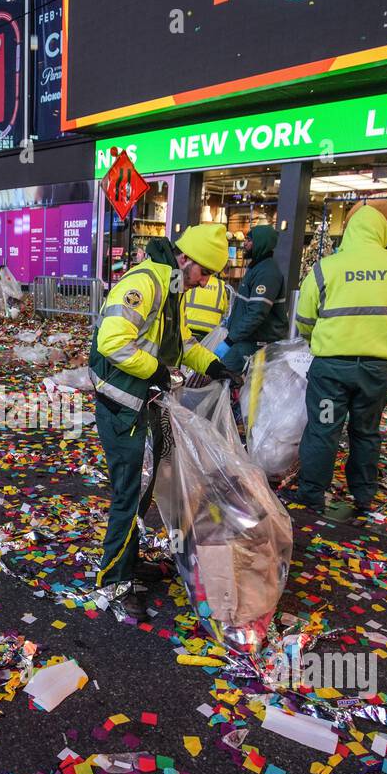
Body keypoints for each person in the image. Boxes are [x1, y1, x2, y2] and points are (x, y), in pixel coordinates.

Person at [90, 224, 237, 599]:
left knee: (142, 489)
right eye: (204, 272)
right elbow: (112, 342)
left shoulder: (171, 286)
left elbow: (181, 342)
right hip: (122, 406)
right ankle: (113, 579)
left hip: (144, 402)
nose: (205, 283)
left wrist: (214, 366)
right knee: (129, 491)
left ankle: (127, 561)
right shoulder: (146, 283)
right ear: (184, 259)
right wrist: (154, 369)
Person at [293, 204, 387, 520]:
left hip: (332, 369)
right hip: (375, 371)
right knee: (366, 431)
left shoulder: (326, 267)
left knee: (323, 430)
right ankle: (363, 495)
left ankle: (312, 496)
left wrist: (320, 339)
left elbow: (305, 317)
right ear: (382, 233)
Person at [220, 225, 287, 372]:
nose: (245, 244)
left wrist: (230, 340)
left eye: (249, 240)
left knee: (222, 372)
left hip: (255, 343)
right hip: (245, 339)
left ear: (261, 243)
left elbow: (256, 313)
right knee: (224, 376)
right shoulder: (257, 268)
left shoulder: (267, 273)